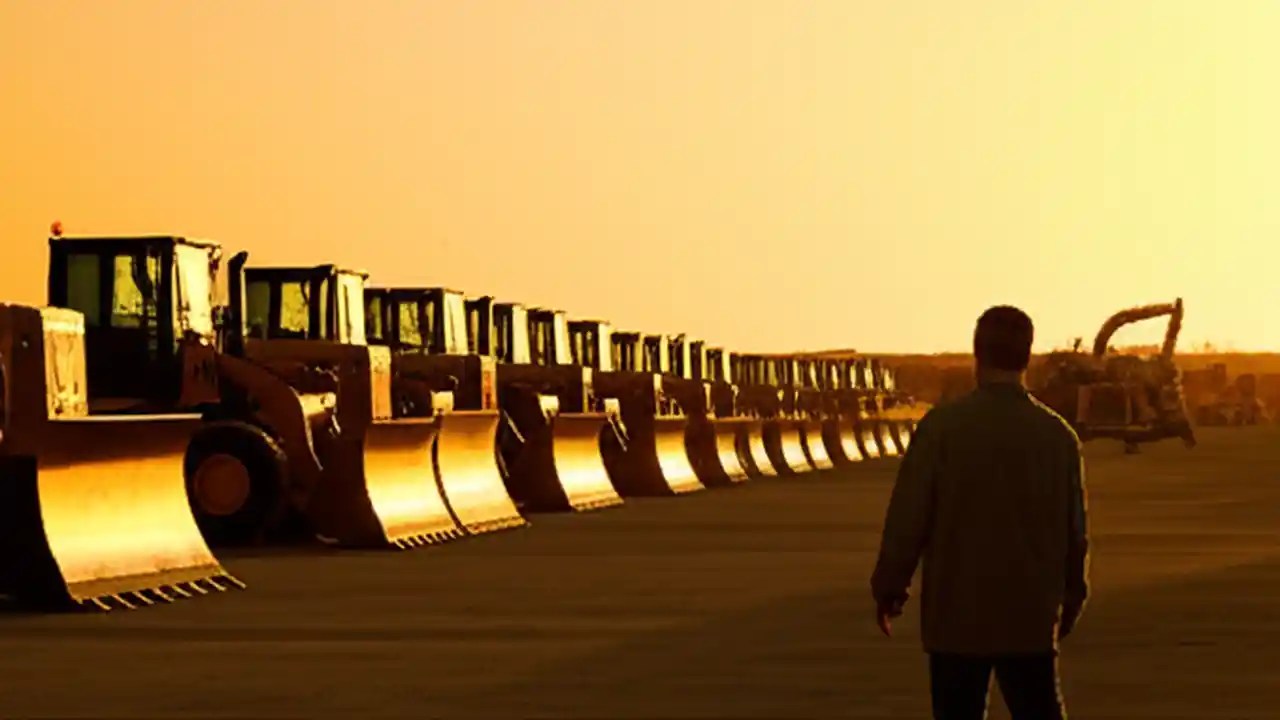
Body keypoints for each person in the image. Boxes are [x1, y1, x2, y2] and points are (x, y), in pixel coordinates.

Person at [870, 305, 1090, 720]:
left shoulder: (940, 429)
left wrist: (889, 586)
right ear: (1027, 356)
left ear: (977, 354)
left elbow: (908, 519)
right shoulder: (1057, 436)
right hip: (1028, 614)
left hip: (956, 616)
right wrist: (1073, 594)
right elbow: (1074, 531)